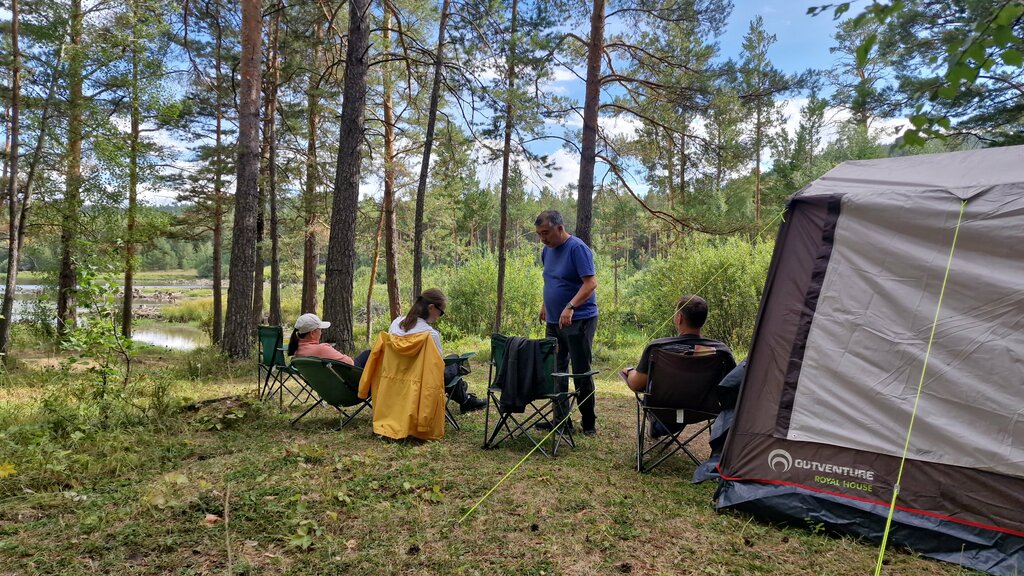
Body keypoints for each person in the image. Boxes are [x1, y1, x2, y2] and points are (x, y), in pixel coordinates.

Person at [535, 210, 599, 436]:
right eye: (539, 234)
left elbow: (590, 283)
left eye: (546, 233)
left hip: (579, 320)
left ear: (560, 228)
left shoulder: (577, 248)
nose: (543, 238)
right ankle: (561, 420)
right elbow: (551, 280)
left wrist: (570, 307)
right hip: (554, 321)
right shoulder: (546, 251)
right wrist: (546, 305)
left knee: (581, 372)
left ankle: (588, 422)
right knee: (555, 370)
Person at [389, 288, 487, 413]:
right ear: (431, 308)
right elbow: (438, 367)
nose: (439, 317)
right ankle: (464, 396)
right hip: (423, 384)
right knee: (455, 360)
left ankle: (465, 396)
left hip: (397, 378)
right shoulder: (430, 334)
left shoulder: (395, 325)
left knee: (452, 362)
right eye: (441, 313)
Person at [622, 294, 733, 393]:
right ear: (703, 320)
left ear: (679, 318)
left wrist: (630, 371)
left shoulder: (657, 347)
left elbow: (637, 385)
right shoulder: (721, 351)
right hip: (704, 411)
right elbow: (733, 384)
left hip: (662, 408)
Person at [287, 313, 355, 364]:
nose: (321, 333)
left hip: (317, 381)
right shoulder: (321, 349)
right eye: (320, 329)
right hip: (342, 380)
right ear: (312, 333)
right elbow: (350, 362)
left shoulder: (296, 349)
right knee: (365, 354)